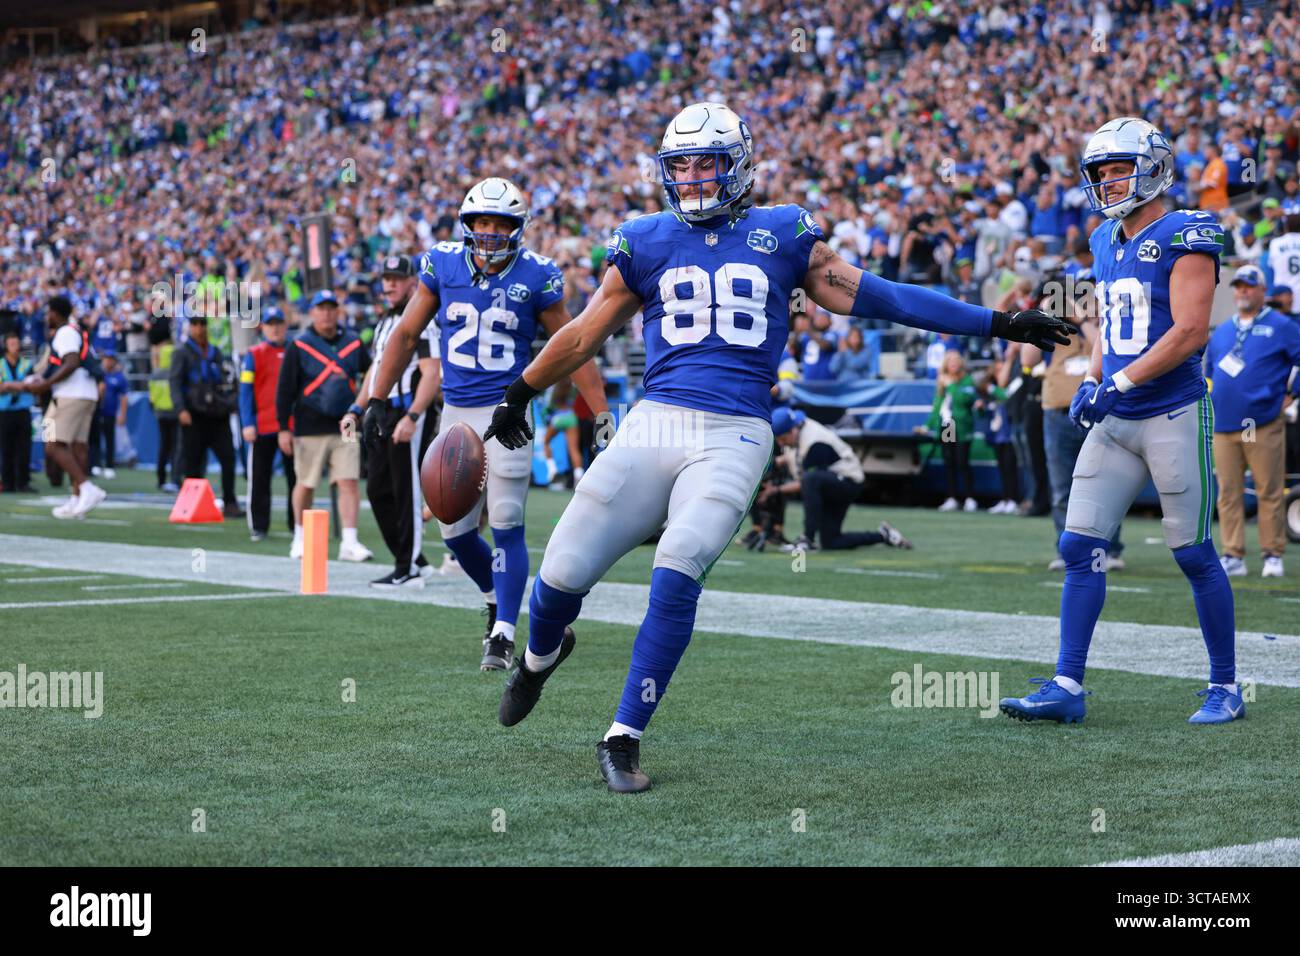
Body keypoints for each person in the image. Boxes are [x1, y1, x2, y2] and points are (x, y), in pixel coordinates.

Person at [476, 102, 1072, 792]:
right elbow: (581, 335)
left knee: (678, 565)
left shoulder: (782, 232)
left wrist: (999, 322)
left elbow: (887, 299)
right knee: (560, 575)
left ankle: (622, 736)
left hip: (735, 430)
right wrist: (518, 390)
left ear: (739, 166)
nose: (694, 178)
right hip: (657, 420)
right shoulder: (643, 239)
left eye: (707, 163)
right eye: (681, 166)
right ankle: (540, 660)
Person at [1000, 117, 1241, 727]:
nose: (1108, 184)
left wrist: (1121, 383)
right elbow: (1109, 323)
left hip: (1172, 411)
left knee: (1192, 552)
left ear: (1154, 166)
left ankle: (1226, 686)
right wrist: (1091, 377)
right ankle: (1067, 683)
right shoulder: (1107, 239)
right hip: (1118, 413)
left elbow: (1190, 330)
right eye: (1101, 174)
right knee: (1080, 546)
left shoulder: (1186, 230)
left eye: (1118, 170)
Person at [364, 178, 608, 671]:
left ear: (518, 228)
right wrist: (376, 397)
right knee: (453, 532)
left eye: (501, 224)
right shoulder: (443, 264)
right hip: (455, 414)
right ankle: (497, 598)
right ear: (468, 225)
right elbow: (408, 332)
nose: (491, 232)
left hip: (507, 412)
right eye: (483, 223)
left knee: (505, 522)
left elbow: (574, 343)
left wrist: (600, 409)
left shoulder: (537, 275)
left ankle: (502, 632)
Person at [347, 255, 440, 587]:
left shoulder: (423, 320)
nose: (389, 284)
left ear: (413, 283)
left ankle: (408, 566)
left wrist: (414, 415)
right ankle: (414, 559)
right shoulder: (386, 322)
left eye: (397, 278)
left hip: (407, 409)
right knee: (377, 488)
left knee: (406, 491)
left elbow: (432, 373)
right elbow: (375, 371)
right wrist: (357, 409)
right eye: (386, 278)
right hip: (383, 411)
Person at [1205, 264, 1300, 579]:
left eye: (1249, 285)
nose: (1242, 290)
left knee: (1268, 489)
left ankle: (1272, 553)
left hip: (1259, 422)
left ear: (1262, 290)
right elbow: (1209, 373)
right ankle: (1233, 553)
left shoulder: (1282, 325)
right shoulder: (1223, 331)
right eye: (1238, 286)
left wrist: (1292, 394)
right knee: (1228, 492)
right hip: (1225, 424)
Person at [1022, 293, 1124, 572]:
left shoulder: (1104, 327)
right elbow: (1027, 361)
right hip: (1056, 413)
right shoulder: (1053, 330)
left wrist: (1082, 319)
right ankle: (1065, 548)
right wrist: (1041, 320)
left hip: (1097, 413)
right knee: (1061, 489)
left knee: (1105, 485)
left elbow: (1104, 349)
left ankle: (1109, 549)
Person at [276, 290, 373, 562]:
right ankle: (300, 537)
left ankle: (350, 541)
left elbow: (370, 374)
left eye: (331, 307)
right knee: (305, 483)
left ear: (338, 311)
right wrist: (284, 427)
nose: (327, 313)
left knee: (349, 481)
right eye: (321, 308)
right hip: (309, 424)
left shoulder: (353, 342)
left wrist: (361, 408)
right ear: (312, 312)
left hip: (347, 423)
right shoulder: (299, 345)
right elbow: (285, 389)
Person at [770, 407, 912, 552]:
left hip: (848, 481)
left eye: (783, 439)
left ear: (793, 430)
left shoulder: (815, 442)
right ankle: (884, 536)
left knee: (810, 479)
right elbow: (795, 459)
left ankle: (807, 539)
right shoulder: (798, 432)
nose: (781, 444)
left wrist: (775, 490)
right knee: (831, 541)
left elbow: (805, 483)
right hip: (834, 479)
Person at [19, 296, 107, 518]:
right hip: (85, 393)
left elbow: (71, 362)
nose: (47, 317)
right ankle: (77, 500)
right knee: (78, 447)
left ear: (56, 314)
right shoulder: (72, 331)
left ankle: (87, 488)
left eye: (49, 312)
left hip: (70, 395)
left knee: (53, 445)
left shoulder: (65, 332)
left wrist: (46, 384)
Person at [170, 315, 244, 518]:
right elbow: (174, 383)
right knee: (193, 462)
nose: (199, 328)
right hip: (194, 415)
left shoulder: (216, 352)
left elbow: (227, 379)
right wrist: (180, 409)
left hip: (218, 414)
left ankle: (230, 501)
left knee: (228, 458)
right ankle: (192, 505)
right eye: (195, 324)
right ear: (189, 327)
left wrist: (231, 401)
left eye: (202, 324)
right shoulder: (182, 353)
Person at [238, 306, 296, 542]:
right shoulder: (254, 354)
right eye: (271, 324)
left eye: (278, 324)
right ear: (263, 327)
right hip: (262, 425)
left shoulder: (295, 351)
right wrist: (247, 422)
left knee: (296, 478)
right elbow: (245, 391)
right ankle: (259, 526)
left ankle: (298, 526)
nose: (275, 328)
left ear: (285, 326)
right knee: (259, 479)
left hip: (290, 427)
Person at [920, 349, 978, 512]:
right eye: (951, 362)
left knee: (962, 461)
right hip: (948, 426)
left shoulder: (966, 380)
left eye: (956, 361)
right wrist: (928, 425)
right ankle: (952, 497)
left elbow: (965, 399)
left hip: (962, 426)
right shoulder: (942, 382)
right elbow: (937, 406)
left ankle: (970, 498)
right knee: (949, 461)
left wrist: (951, 385)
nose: (954, 365)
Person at [0, 328, 36, 492]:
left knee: (24, 448)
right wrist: (18, 386)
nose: (15, 346)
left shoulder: (26, 364)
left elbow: (33, 384)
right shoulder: (1, 364)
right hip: (5, 411)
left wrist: (9, 385)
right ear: (6, 346)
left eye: (16, 343)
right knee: (6, 447)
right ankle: (8, 483)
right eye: (11, 343)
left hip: (22, 410)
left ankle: (23, 482)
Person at [147, 318, 181, 492]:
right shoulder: (175, 373)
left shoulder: (155, 374)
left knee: (163, 447)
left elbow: (152, 396)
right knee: (176, 447)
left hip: (161, 412)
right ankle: (175, 479)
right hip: (175, 412)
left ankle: (160, 479)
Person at [89, 352, 128, 479]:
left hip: (110, 413)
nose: (108, 362)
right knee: (95, 439)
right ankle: (95, 464)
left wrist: (122, 414)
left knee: (109, 439)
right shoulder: (98, 374)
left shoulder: (119, 377)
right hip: (96, 411)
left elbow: (123, 397)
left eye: (111, 359)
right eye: (106, 359)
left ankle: (110, 466)